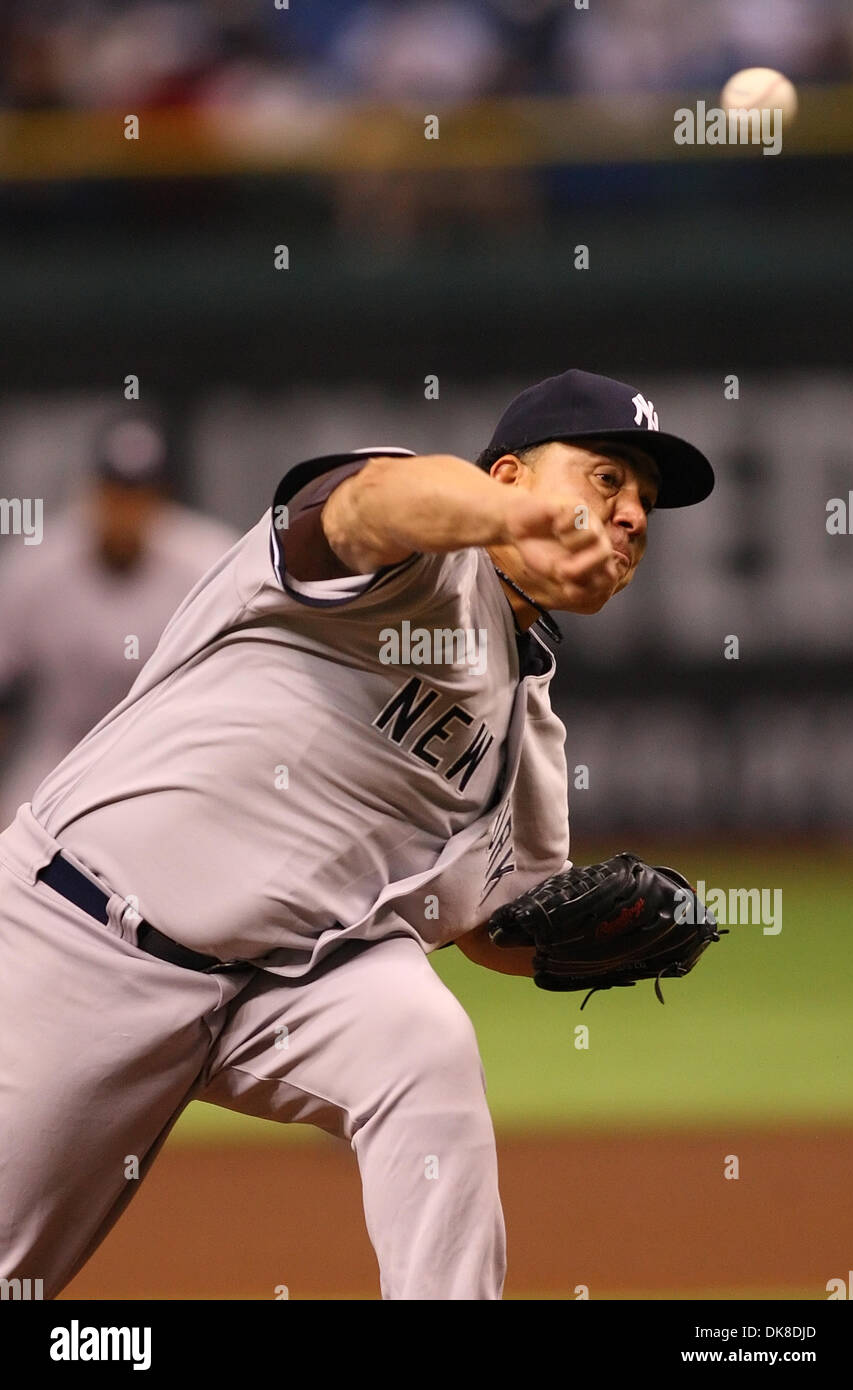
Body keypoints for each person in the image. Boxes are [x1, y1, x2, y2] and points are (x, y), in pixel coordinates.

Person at [0, 369, 713, 1300]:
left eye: (646, 505)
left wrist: (563, 944)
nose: (631, 519)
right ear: (505, 477)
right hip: (84, 938)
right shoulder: (417, 557)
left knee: (424, 1047)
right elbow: (372, 505)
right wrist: (505, 524)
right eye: (606, 479)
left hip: (281, 986)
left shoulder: (528, 735)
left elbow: (487, 926)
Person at [0, 416, 238, 826]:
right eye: (115, 490)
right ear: (92, 490)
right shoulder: (35, 565)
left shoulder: (209, 561)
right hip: (60, 753)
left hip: (167, 752)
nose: (126, 507)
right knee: (13, 850)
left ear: (162, 497)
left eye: (139, 493)